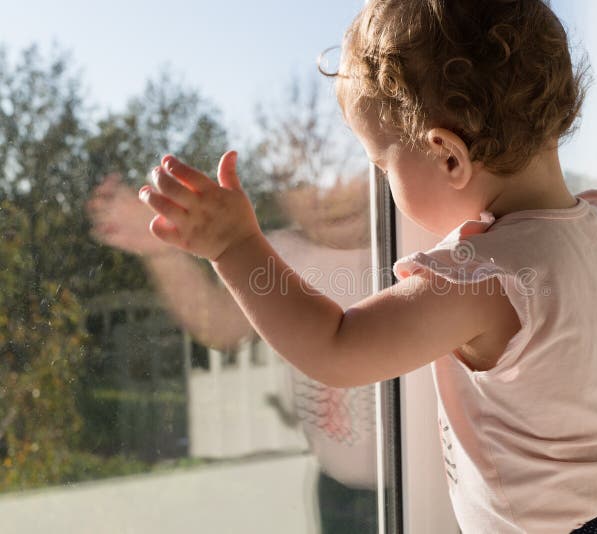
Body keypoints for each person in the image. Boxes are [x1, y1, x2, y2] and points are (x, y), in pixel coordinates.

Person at [135, 1, 597, 532]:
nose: (382, 181)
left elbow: (335, 347)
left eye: (383, 165)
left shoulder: (485, 278)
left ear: (448, 156)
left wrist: (235, 246)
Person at [86, 177, 379, 533]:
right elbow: (222, 325)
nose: (329, 192)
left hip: (430, 482)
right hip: (341, 492)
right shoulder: (282, 254)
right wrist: (162, 249)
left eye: (340, 167)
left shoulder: (415, 242)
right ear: (277, 190)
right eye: (300, 178)